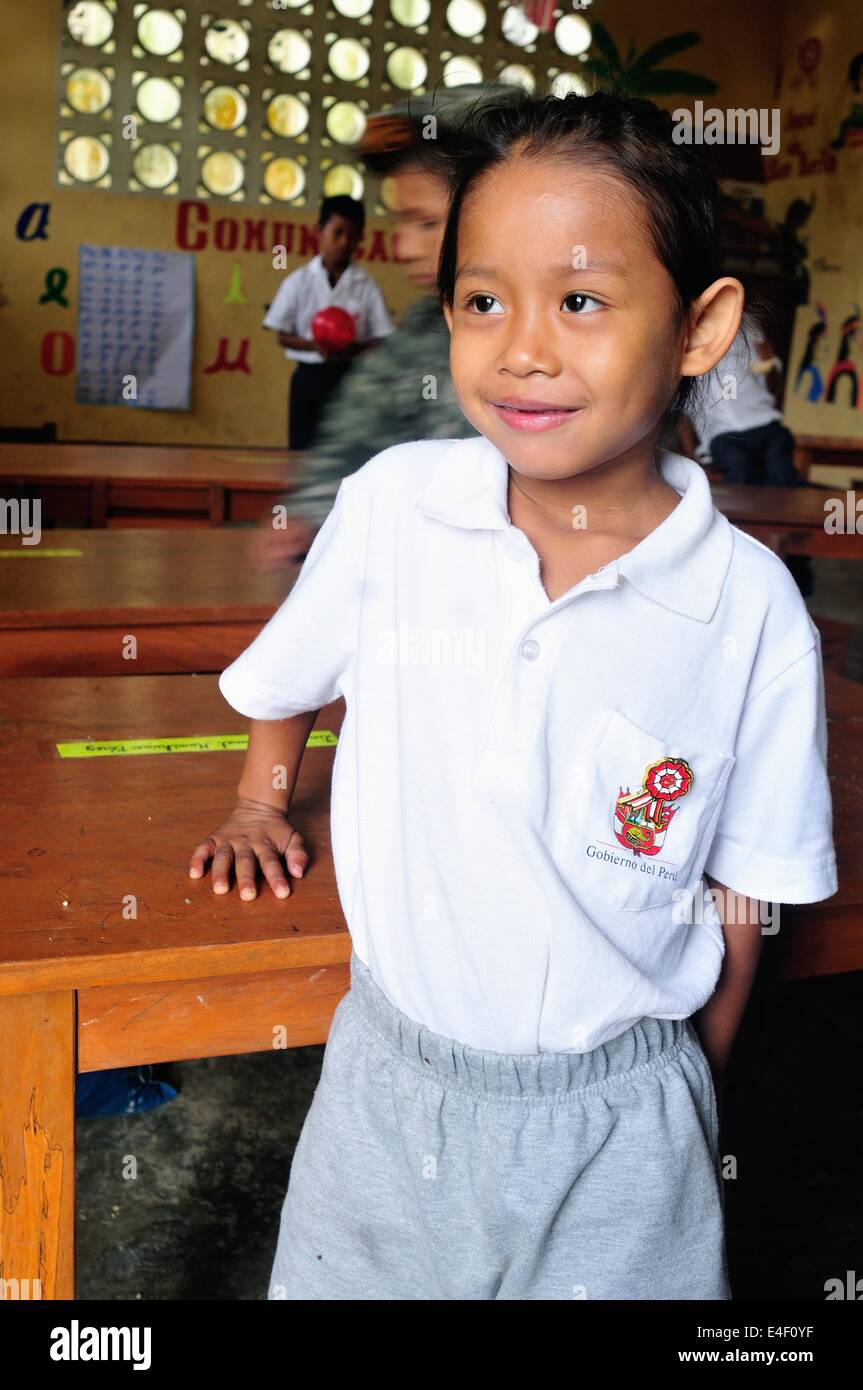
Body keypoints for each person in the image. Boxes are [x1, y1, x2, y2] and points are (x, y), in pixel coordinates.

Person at [189, 90, 837, 1300]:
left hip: (624, 1120)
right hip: (386, 1091)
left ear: (700, 330)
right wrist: (256, 802)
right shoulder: (396, 507)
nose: (522, 347)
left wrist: (680, 1095)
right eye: (483, 301)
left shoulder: (750, 613)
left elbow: (745, 899)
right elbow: (288, 676)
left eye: (580, 301)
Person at [256, 85, 523, 568]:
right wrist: (312, 513)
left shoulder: (560, 337)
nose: (401, 248)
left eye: (425, 223)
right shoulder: (425, 332)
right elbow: (359, 429)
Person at [681, 317, 815, 596]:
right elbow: (680, 410)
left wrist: (769, 362)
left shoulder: (750, 325)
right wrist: (693, 453)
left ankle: (795, 570)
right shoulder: (684, 333)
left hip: (764, 423)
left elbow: (772, 383)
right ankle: (740, 571)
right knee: (742, 488)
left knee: (785, 488)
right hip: (724, 434)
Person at [263, 194, 395, 449]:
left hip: (350, 379)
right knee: (302, 448)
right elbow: (282, 334)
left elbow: (380, 338)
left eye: (353, 236)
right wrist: (315, 346)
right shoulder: (298, 281)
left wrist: (354, 348)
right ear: (319, 231)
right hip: (308, 378)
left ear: (360, 239)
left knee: (347, 450)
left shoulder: (366, 285)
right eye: (338, 233)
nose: (345, 242)